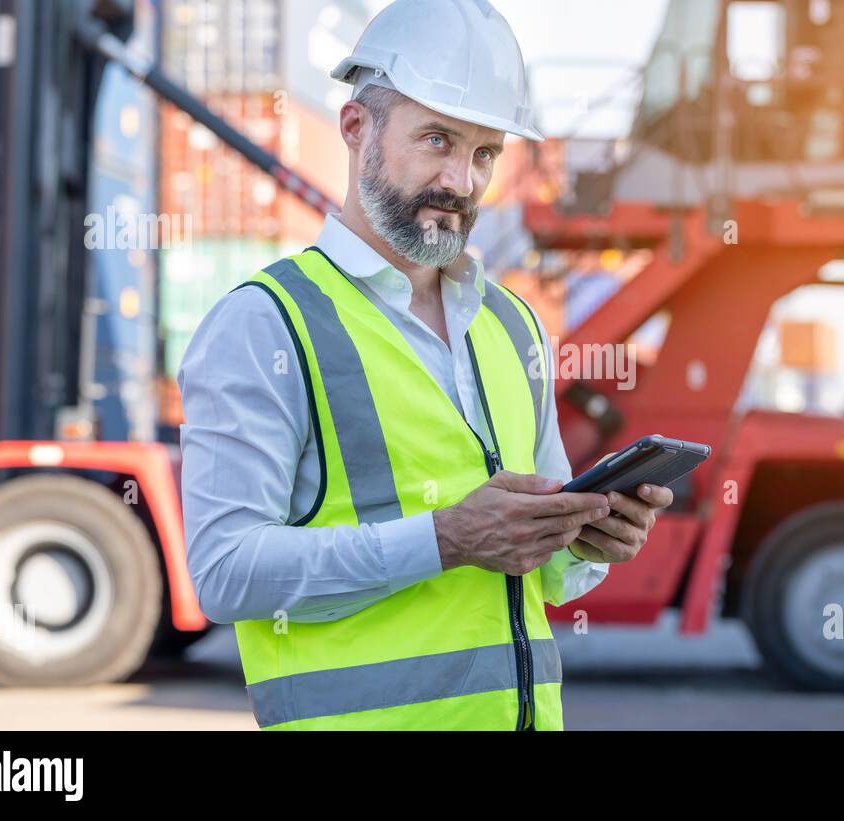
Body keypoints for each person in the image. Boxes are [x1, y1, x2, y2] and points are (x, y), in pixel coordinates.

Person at [178, 0, 674, 731]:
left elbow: (538, 571)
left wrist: (589, 537)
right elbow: (225, 571)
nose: (461, 181)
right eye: (437, 139)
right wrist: (443, 539)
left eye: (483, 154)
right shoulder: (264, 324)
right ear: (356, 128)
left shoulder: (513, 325)